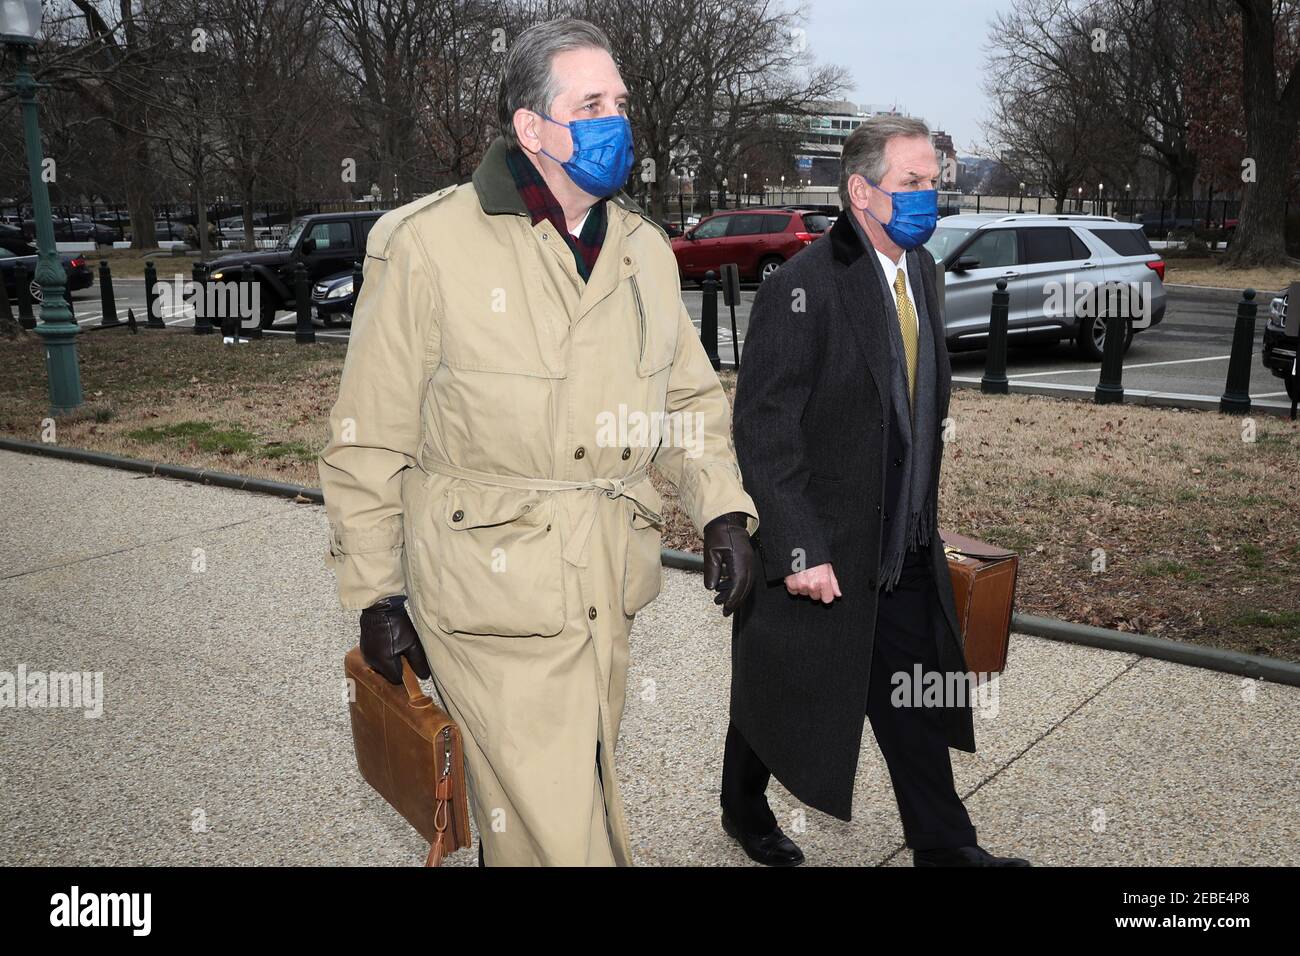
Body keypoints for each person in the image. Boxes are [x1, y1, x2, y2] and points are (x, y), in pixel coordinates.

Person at [319, 17, 757, 867]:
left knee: (549, 805)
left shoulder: (641, 251)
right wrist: (377, 594)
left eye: (619, 103)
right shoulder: (427, 246)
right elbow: (367, 437)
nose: (615, 121)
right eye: (590, 105)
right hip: (487, 599)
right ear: (531, 127)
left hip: (604, 584)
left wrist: (722, 512)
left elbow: (686, 400)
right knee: (565, 839)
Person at [722, 115, 1030, 868]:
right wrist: (800, 545)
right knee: (786, 684)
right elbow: (765, 429)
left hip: (901, 543)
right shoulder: (801, 287)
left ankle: (945, 846)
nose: (930, 196)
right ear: (862, 192)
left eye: (934, 181)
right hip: (826, 542)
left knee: (911, 692)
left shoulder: (922, 271)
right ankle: (743, 805)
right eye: (912, 182)